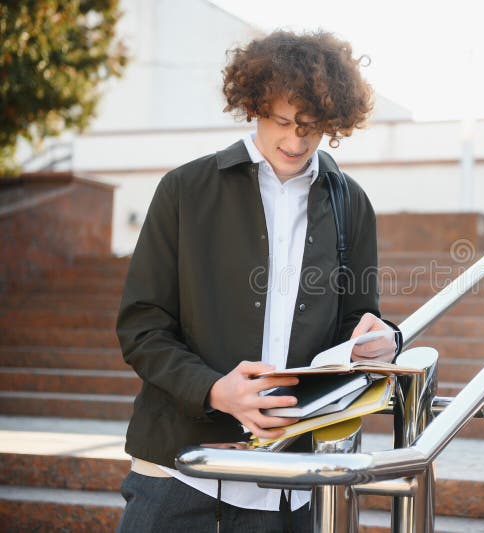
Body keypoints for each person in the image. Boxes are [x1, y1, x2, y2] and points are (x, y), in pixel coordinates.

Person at [115, 29, 401, 532]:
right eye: (283, 122)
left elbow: (359, 316)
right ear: (256, 105)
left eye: (312, 127)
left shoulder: (351, 204)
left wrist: (379, 340)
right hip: (182, 471)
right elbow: (142, 327)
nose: (296, 141)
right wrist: (214, 390)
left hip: (291, 485)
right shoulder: (185, 189)